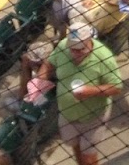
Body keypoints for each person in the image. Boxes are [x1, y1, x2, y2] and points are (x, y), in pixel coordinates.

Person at [50, 21, 123, 165]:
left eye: (80, 49)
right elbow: (50, 62)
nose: (76, 53)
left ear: (90, 41)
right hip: (67, 114)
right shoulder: (63, 46)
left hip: (94, 117)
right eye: (73, 49)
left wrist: (90, 91)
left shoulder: (104, 57)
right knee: (75, 145)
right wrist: (40, 79)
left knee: (89, 157)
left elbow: (116, 87)